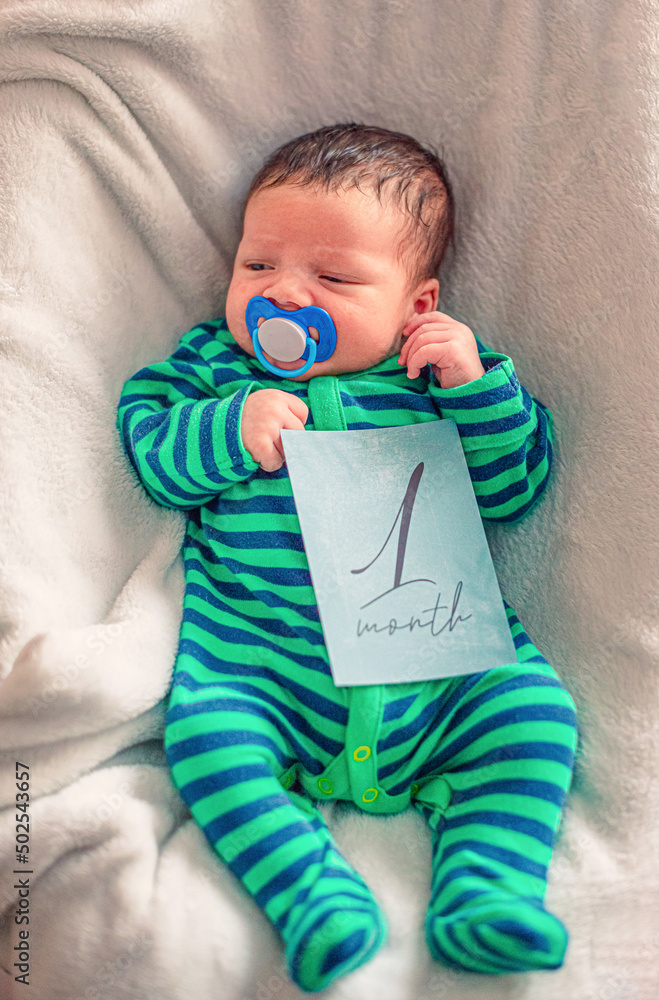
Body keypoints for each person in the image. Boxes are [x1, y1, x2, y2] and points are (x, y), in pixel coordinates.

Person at [117, 124, 578, 993]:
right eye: (258, 267)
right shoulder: (215, 371)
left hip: (443, 677)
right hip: (264, 672)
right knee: (208, 740)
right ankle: (311, 897)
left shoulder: (440, 379)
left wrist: (476, 387)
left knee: (532, 714)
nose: (284, 294)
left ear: (416, 304)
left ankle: (490, 888)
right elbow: (149, 448)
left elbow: (515, 488)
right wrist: (228, 428)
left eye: (331, 278)